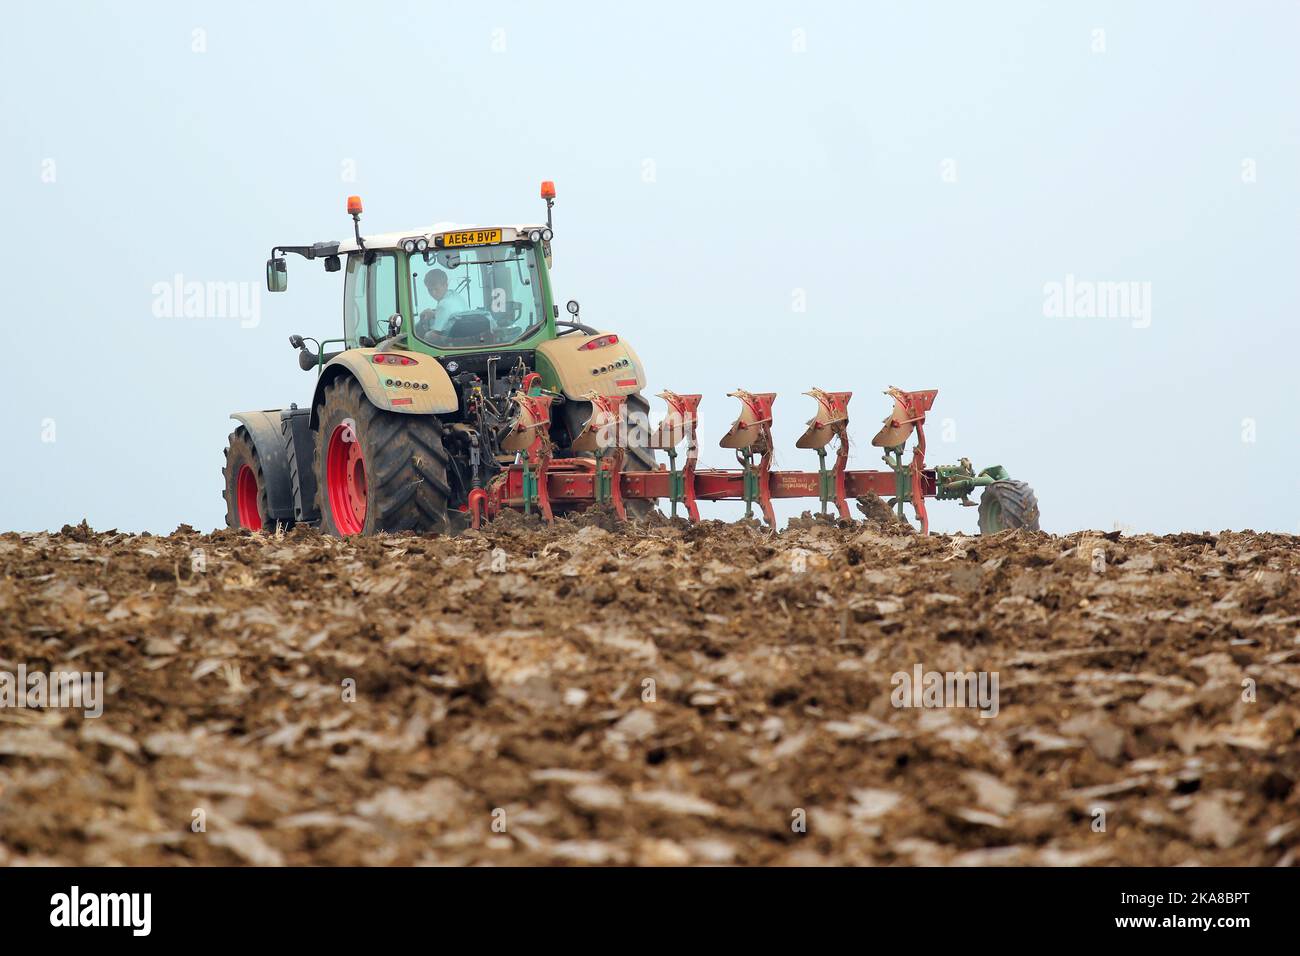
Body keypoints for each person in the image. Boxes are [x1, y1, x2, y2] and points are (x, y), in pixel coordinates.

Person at [418, 269, 470, 336]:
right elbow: (451, 316)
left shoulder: (443, 305)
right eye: (430, 290)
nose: (433, 293)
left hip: (452, 342)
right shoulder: (456, 296)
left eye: (436, 289)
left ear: (446, 285)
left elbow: (435, 335)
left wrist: (423, 334)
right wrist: (435, 314)